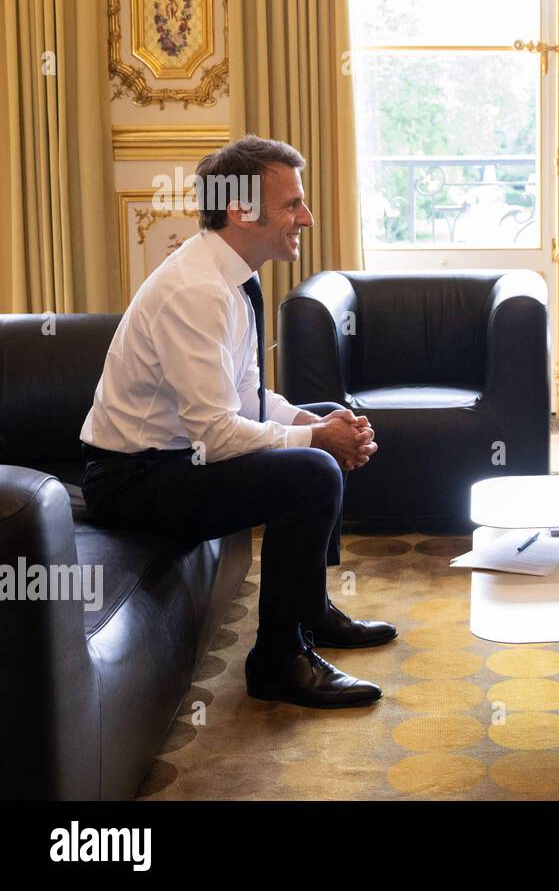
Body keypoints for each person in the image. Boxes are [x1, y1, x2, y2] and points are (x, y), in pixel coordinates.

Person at [81, 134, 396, 709]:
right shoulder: (196, 290)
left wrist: (315, 422)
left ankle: (310, 608)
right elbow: (217, 435)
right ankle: (278, 659)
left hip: (177, 459)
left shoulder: (230, 275)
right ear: (240, 210)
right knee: (312, 471)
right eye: (292, 205)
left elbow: (245, 398)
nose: (307, 217)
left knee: (324, 422)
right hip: (134, 480)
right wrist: (315, 440)